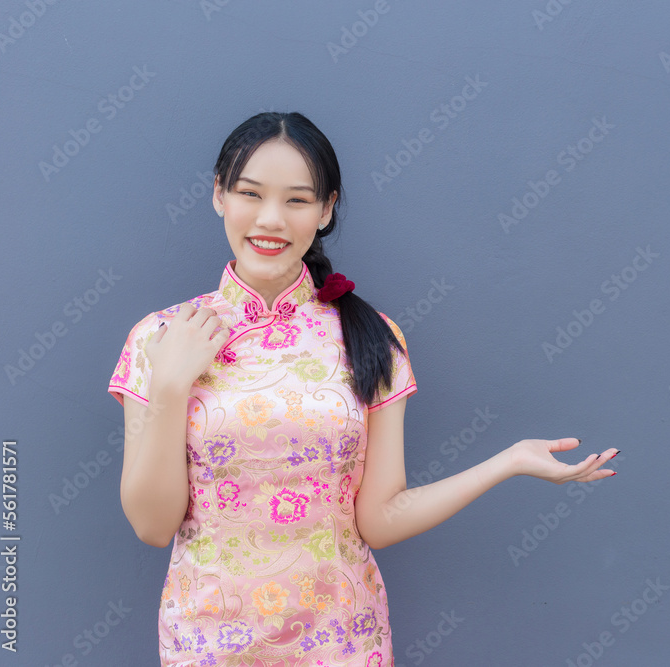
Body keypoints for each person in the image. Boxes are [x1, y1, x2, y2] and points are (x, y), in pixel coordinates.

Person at [108, 111, 618, 666]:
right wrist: (169, 387)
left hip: (343, 639)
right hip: (209, 643)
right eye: (250, 194)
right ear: (218, 196)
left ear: (326, 209)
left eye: (298, 200)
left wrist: (509, 461)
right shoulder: (160, 337)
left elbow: (378, 517)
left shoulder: (372, 336)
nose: (271, 219)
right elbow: (152, 525)